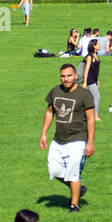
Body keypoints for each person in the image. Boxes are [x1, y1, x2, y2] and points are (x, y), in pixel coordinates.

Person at [39, 62, 95, 213]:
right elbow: (50, 112)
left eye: (69, 76)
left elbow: (91, 119)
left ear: (76, 76)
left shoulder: (84, 94)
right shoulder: (55, 91)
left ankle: (74, 205)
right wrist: (44, 133)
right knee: (54, 170)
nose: (66, 79)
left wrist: (90, 143)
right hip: (58, 139)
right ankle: (77, 187)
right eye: (63, 76)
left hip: (78, 139)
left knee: (73, 172)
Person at [81, 37, 101, 118]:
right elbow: (86, 70)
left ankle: (87, 113)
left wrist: (97, 80)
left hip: (94, 79)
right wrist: (85, 82)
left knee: (93, 97)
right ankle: (95, 116)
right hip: (90, 80)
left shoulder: (96, 54)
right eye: (98, 44)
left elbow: (95, 69)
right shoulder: (89, 57)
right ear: (94, 46)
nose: (100, 45)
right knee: (97, 96)